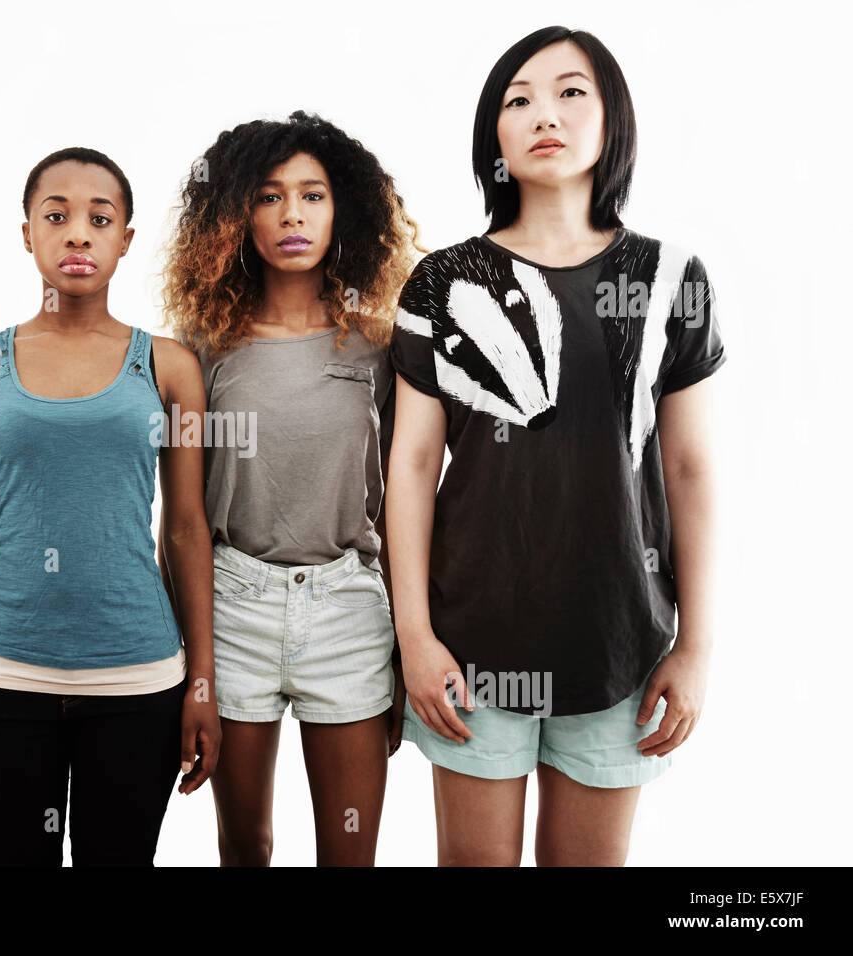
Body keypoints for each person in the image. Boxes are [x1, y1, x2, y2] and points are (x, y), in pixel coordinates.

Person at [387, 27, 726, 866]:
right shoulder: (441, 282)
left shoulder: (669, 278)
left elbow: (689, 467)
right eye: (519, 98)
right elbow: (411, 468)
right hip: (473, 644)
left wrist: (696, 643)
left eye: (572, 92)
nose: (546, 113)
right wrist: (417, 637)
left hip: (620, 645)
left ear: (612, 117)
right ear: (492, 136)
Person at [0, 147, 219, 866]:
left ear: (125, 238)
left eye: (99, 218)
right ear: (27, 233)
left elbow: (184, 531)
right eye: (56, 216)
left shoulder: (172, 367)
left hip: (140, 679)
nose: (77, 234)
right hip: (2, 677)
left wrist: (202, 685)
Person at [159, 111, 422, 865]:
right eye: (270, 197)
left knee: (349, 852)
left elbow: (407, 504)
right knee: (246, 846)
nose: (292, 215)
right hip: (233, 610)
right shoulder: (199, 352)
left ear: (345, 212)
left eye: (312, 195)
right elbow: (177, 518)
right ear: (238, 216)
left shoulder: (380, 345)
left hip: (348, 609)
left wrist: (410, 643)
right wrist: (190, 659)